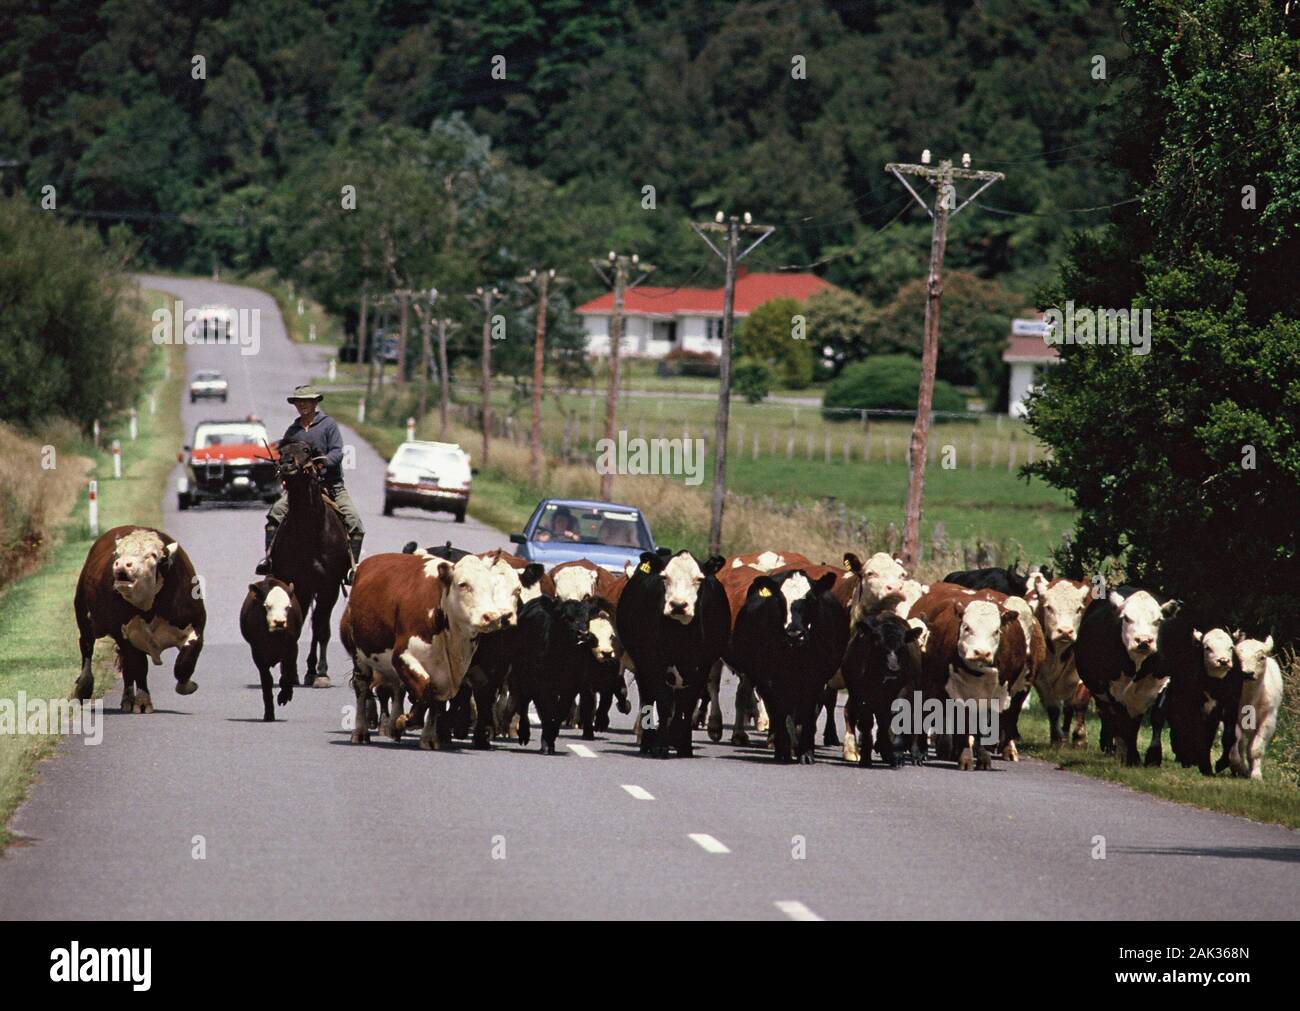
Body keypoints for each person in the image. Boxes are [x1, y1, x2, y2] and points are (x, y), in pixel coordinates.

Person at [256, 384, 365, 582]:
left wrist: (324, 461)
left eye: (307, 401)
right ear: (295, 404)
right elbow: (286, 456)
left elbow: (337, 451)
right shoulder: (293, 431)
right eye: (299, 402)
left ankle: (351, 567)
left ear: (315, 403)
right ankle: (270, 560)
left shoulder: (328, 425)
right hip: (300, 489)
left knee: (354, 522)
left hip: (331, 486)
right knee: (275, 514)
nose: (303, 405)